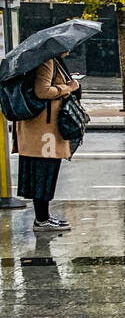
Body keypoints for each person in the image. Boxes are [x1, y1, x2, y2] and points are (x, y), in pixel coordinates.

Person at [15, 53, 79, 233]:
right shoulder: (46, 60)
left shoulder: (48, 60)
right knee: (44, 173)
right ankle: (42, 220)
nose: (69, 50)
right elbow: (42, 91)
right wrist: (68, 87)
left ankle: (43, 217)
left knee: (43, 173)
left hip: (40, 128)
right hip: (44, 131)